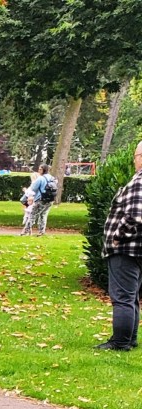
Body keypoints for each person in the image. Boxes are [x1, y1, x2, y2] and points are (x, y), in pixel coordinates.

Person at [95, 141, 142, 351]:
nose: (134, 161)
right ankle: (129, 339)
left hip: (127, 249)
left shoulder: (139, 181)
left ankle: (120, 342)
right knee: (131, 297)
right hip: (137, 249)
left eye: (136, 156)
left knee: (122, 297)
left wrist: (117, 237)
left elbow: (135, 215)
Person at [25, 164, 57, 236]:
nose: (38, 170)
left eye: (40, 169)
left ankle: (25, 231)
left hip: (41, 199)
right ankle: (41, 232)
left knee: (32, 215)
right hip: (50, 199)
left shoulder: (40, 178)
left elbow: (33, 188)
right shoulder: (52, 178)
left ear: (43, 170)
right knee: (43, 215)